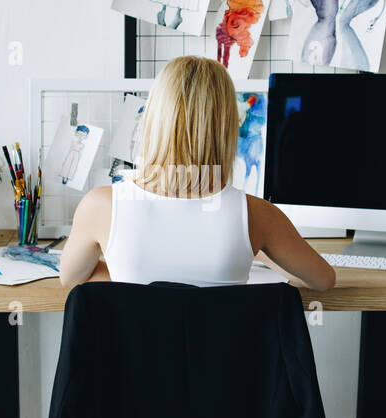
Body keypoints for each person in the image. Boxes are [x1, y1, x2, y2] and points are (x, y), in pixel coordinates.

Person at [59, 56, 336, 292]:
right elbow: (323, 280)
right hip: (226, 357)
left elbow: (71, 279)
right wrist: (255, 247)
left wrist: (130, 277)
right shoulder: (257, 216)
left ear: (154, 119)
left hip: (132, 356)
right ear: (226, 127)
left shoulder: (100, 206)